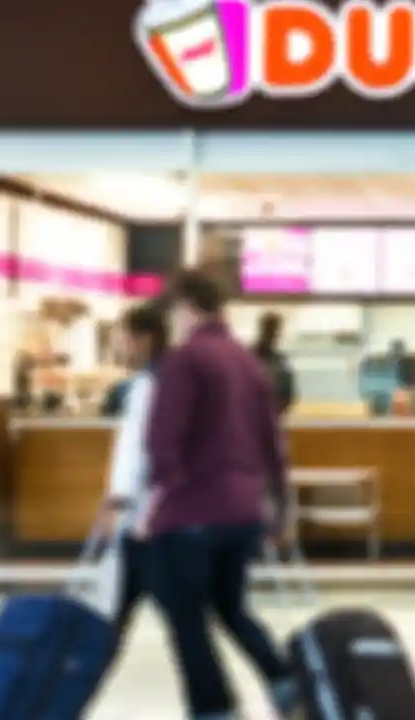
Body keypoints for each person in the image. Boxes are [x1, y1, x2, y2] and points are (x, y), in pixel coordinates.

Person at [144, 271, 298, 720]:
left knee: (184, 613)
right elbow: (272, 439)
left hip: (193, 509)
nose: (171, 321)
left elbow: (164, 437)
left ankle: (215, 706)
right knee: (230, 606)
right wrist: (280, 500)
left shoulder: (185, 359)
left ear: (186, 305)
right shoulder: (248, 361)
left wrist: (160, 497)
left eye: (172, 310)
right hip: (243, 509)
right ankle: (284, 681)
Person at [98, 304, 166, 663]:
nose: (119, 349)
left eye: (122, 340)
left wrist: (118, 499)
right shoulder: (155, 382)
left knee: (116, 607)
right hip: (152, 512)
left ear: (143, 339)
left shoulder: (148, 386)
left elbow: (137, 449)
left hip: (143, 512)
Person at [253, 311, 295, 415]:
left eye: (275, 330)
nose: (273, 334)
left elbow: (288, 396)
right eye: (270, 330)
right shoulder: (249, 359)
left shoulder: (280, 361)